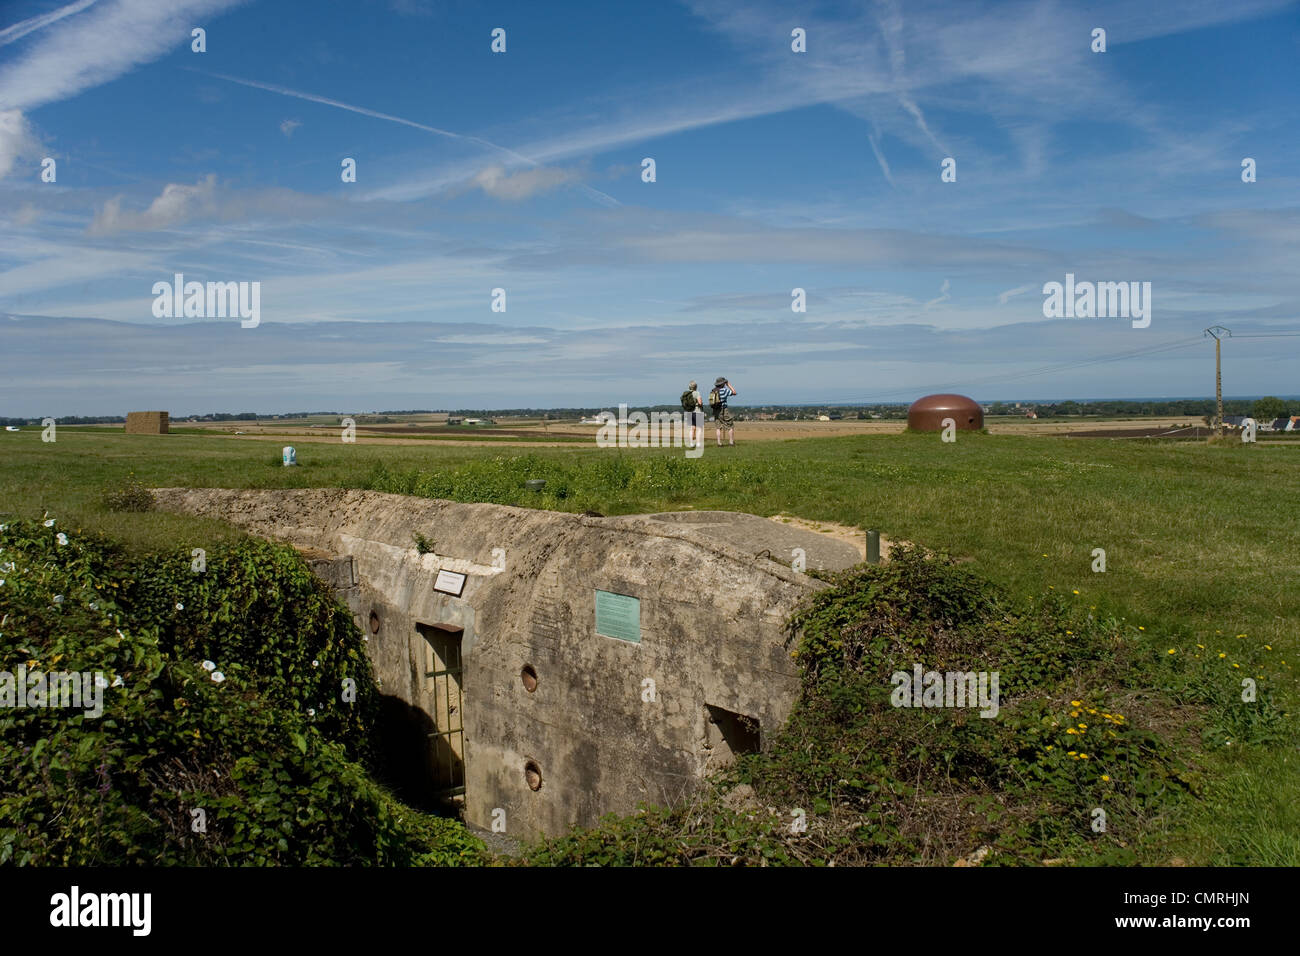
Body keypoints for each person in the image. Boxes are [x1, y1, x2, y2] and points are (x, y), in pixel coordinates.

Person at [709, 376, 737, 446]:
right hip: (723, 409)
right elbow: (734, 392)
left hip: (715, 410)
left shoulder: (713, 390)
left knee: (718, 427)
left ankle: (719, 443)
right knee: (730, 425)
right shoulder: (724, 390)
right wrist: (728, 385)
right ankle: (731, 442)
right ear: (723, 383)